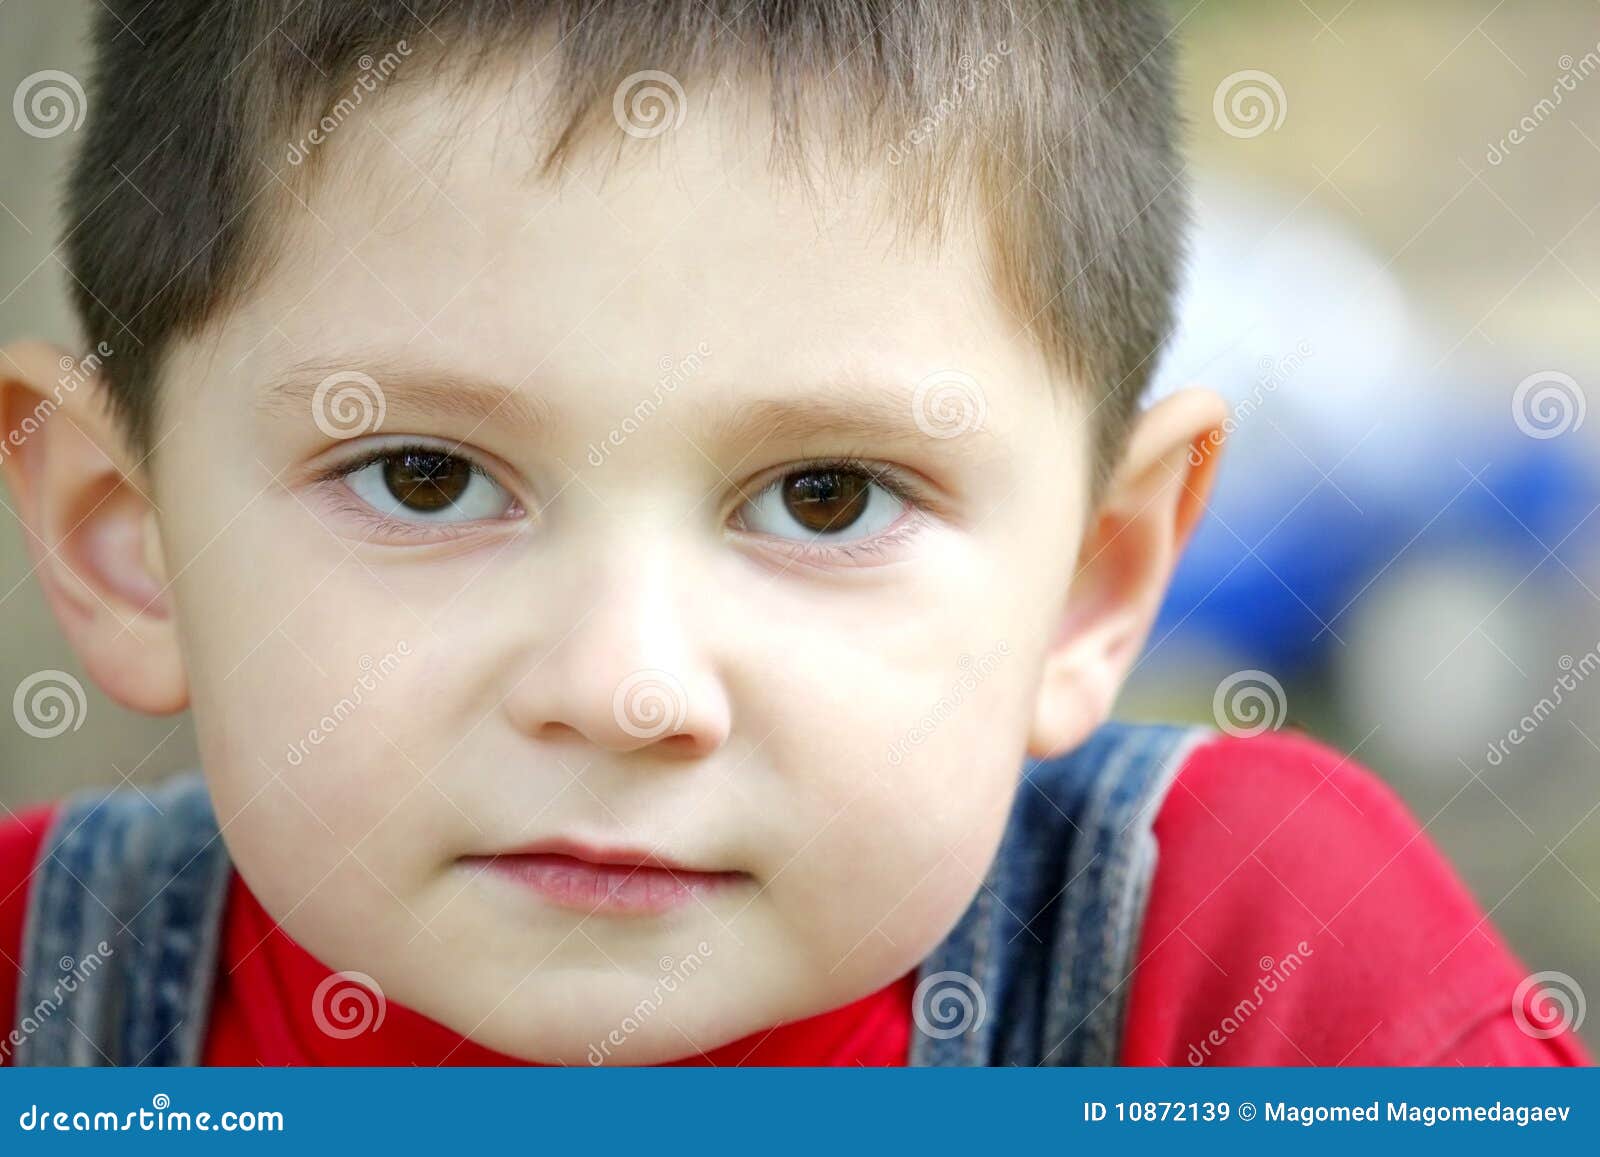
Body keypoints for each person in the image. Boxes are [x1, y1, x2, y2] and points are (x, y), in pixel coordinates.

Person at [0, 0, 1587, 1067]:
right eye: (426, 478)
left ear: (1093, 588)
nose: (624, 689)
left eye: (825, 496)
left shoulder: (1245, 967)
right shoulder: (38, 994)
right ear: (120, 535)